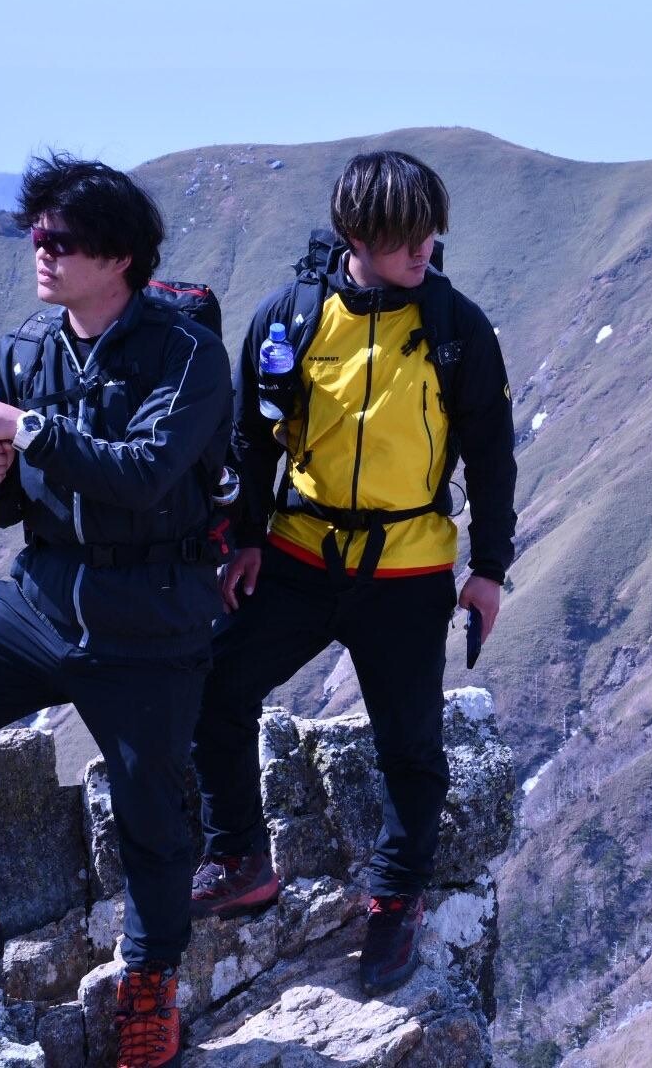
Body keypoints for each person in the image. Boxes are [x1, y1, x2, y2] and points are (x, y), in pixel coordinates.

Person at [0, 154, 231, 1068]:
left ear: (121, 256)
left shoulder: (186, 354)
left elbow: (144, 476)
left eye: (60, 240)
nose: (42, 253)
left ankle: (149, 984)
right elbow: (10, 503)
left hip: (151, 613)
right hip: (45, 598)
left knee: (150, 809)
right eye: (37, 237)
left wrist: (21, 432)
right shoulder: (28, 349)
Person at [189, 150, 517, 996]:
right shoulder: (289, 318)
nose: (425, 249)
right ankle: (239, 859)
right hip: (298, 556)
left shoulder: (455, 326)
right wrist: (245, 540)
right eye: (405, 235)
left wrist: (489, 571)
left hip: (409, 571)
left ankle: (391, 903)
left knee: (411, 750)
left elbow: (490, 454)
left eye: (430, 232)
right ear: (353, 236)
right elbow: (252, 441)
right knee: (214, 689)